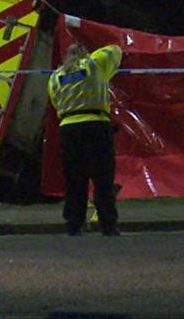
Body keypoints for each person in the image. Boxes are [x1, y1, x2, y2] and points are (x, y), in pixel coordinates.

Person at [47, 42, 123, 236]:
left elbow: (56, 102)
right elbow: (115, 50)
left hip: (68, 128)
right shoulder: (94, 64)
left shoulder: (56, 77)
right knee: (102, 179)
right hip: (96, 125)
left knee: (74, 180)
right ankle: (108, 225)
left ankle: (74, 225)